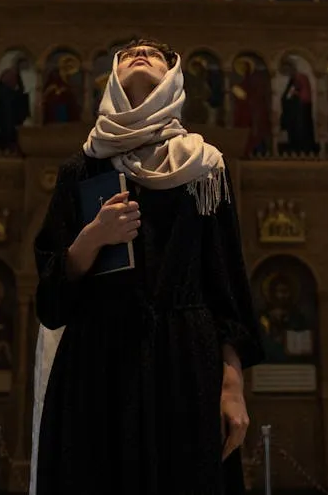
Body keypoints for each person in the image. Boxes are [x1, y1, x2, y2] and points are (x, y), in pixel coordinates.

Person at [31, 38, 263, 495]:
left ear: (173, 78)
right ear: (112, 79)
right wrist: (92, 238)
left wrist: (232, 385)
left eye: (156, 54)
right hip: (98, 362)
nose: (141, 54)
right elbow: (51, 302)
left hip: (186, 363)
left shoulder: (206, 168)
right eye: (127, 54)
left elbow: (227, 286)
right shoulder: (81, 168)